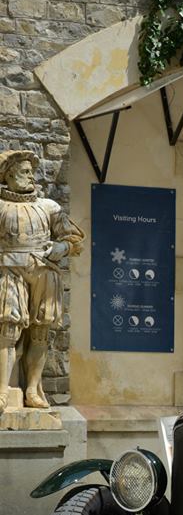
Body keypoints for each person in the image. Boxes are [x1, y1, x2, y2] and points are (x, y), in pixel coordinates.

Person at [0, 149, 84, 412]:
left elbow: (74, 239)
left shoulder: (48, 207)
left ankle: (32, 390)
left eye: (31, 171)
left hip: (43, 270)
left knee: (40, 333)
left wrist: (62, 249)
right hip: (9, 269)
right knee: (8, 330)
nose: (30, 176)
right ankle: (3, 389)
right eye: (24, 172)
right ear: (9, 175)